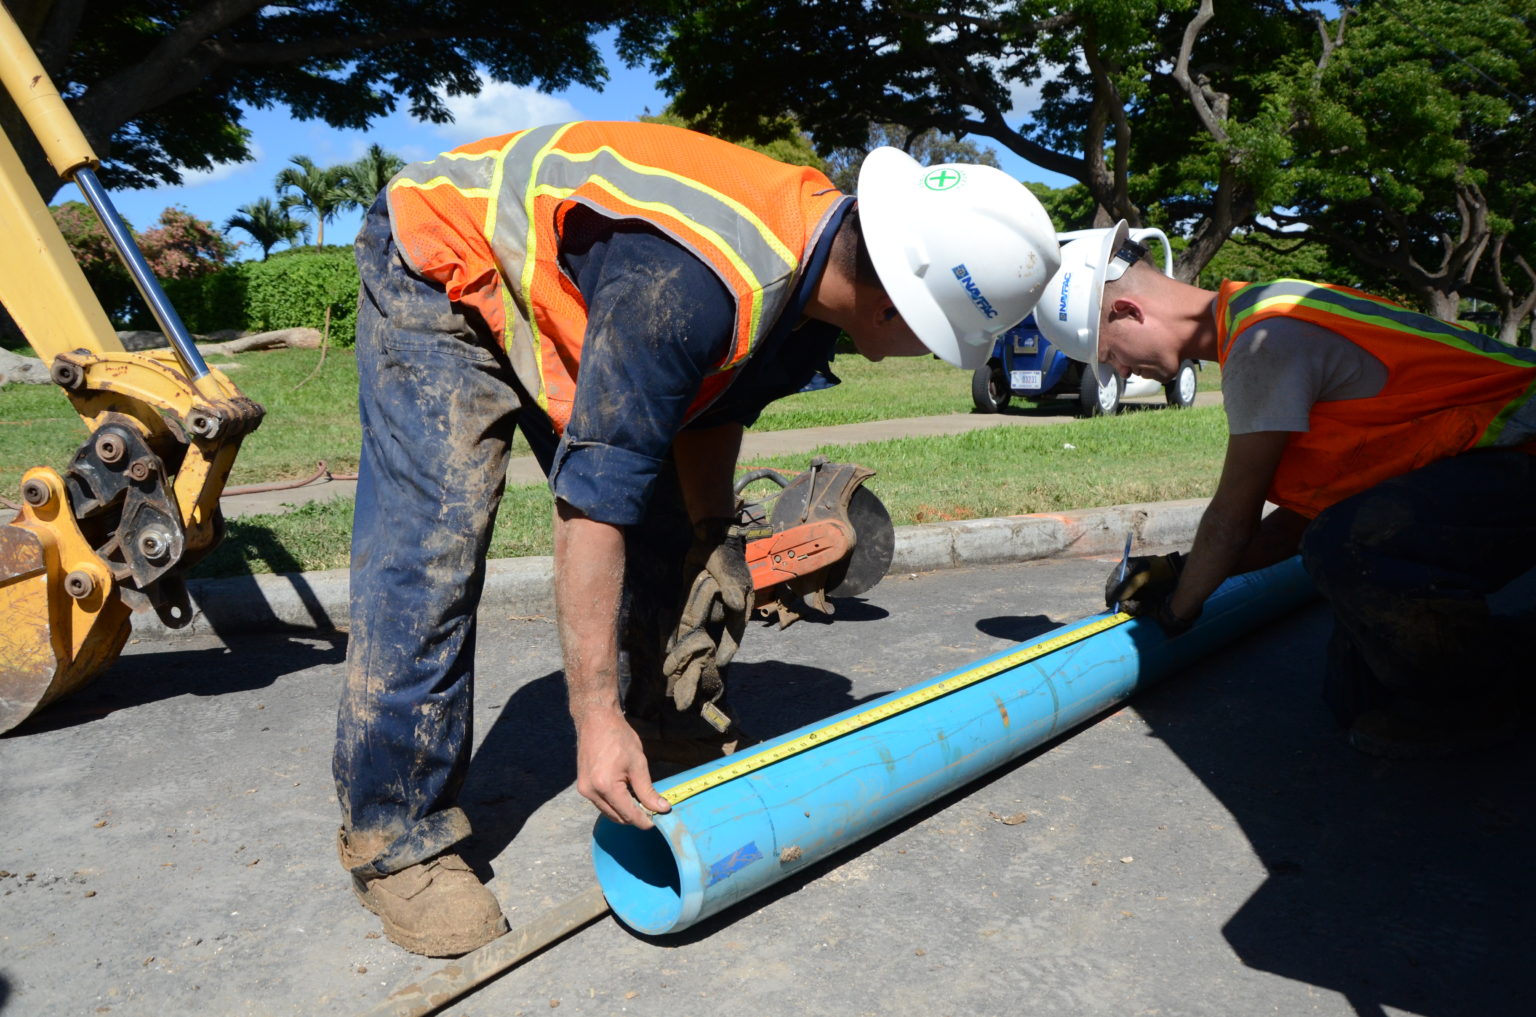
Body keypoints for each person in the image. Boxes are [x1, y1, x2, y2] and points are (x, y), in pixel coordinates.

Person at [332, 120, 1060, 956]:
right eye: (933, 338)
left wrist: (712, 537)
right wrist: (593, 716)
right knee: (433, 543)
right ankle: (394, 834)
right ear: (894, 303)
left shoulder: (813, 275)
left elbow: (711, 406)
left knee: (668, 520)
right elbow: (593, 510)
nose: (921, 355)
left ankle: (661, 722)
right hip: (443, 256)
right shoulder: (687, 288)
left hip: (583, 288)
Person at [1037, 221, 1536, 760]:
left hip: (1522, 449)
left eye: (1109, 352)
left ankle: (1479, 705)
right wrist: (1181, 570)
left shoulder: (1265, 341)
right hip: (1487, 470)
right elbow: (1310, 516)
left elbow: (1235, 519)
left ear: (1127, 311)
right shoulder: (1259, 313)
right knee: (1357, 693)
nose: (1118, 368)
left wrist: (1177, 614)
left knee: (1348, 551)